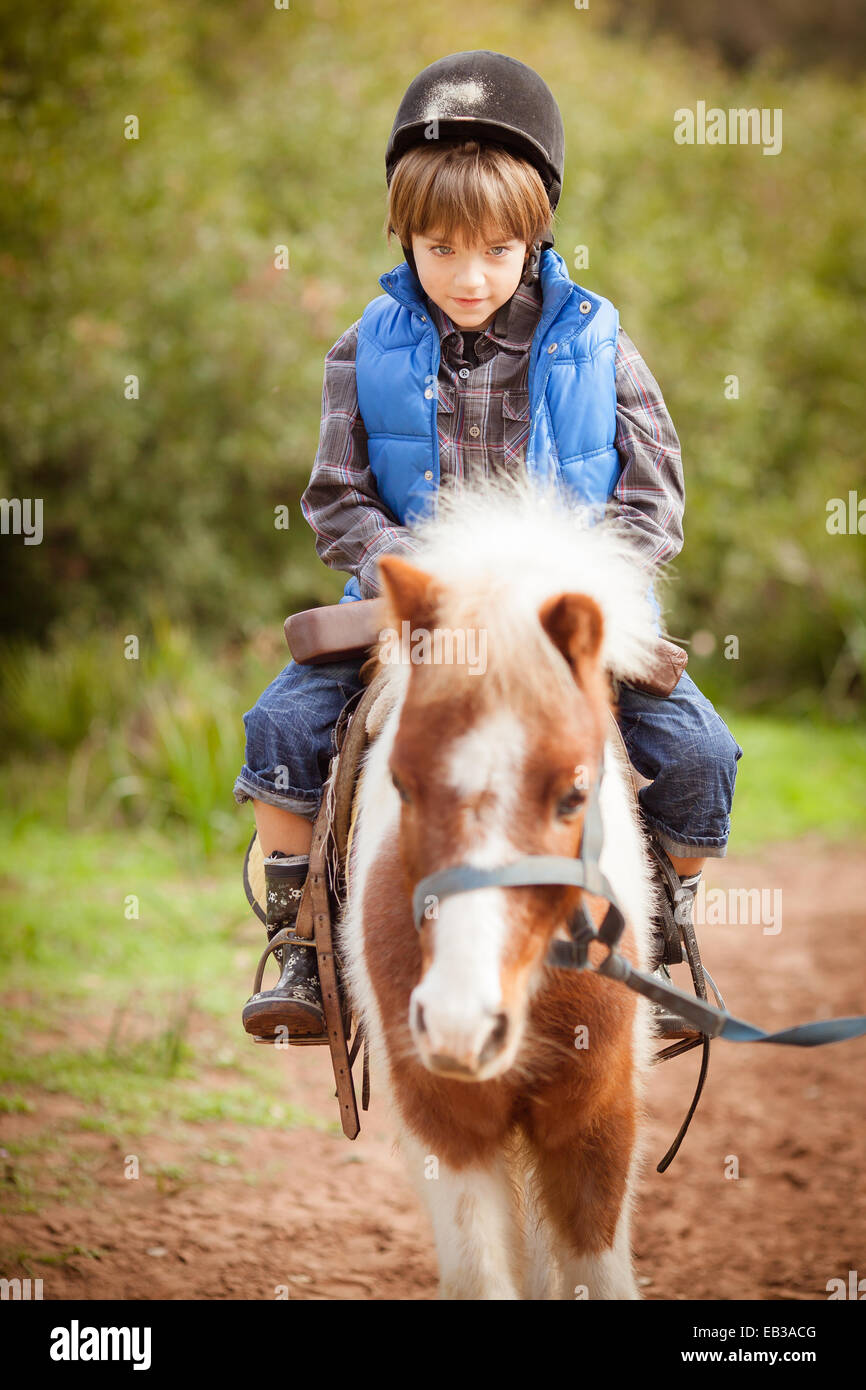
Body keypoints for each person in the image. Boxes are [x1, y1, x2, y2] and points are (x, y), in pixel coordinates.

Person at [233, 50, 742, 1043]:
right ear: (405, 236)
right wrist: (420, 585)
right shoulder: (362, 348)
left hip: (560, 618)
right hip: (416, 612)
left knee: (697, 752)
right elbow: (336, 498)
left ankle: (667, 935)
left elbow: (652, 498)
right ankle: (300, 944)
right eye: (439, 249)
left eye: (495, 251)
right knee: (281, 731)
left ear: (535, 236)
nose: (467, 277)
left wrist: (579, 584)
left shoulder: (598, 344)